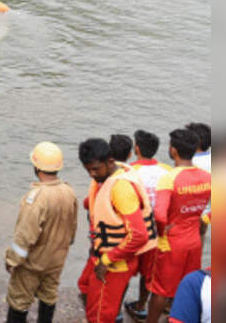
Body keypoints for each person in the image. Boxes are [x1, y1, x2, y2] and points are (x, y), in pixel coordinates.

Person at [77, 138, 157, 323]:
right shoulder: (105, 177)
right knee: (85, 287)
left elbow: (139, 235)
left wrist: (106, 260)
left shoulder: (121, 188)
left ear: (110, 162)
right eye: (87, 169)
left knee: (101, 315)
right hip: (101, 251)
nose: (92, 174)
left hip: (115, 262)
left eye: (95, 169)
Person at [5, 142, 78, 323]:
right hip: (56, 260)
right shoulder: (69, 192)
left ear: (37, 167)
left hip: (33, 264)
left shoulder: (36, 197)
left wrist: (12, 260)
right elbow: (72, 229)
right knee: (48, 297)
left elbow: (25, 236)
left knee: (19, 303)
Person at [145, 129, 211, 323]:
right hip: (194, 242)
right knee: (184, 287)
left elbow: (159, 213)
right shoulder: (207, 177)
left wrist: (160, 231)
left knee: (160, 290)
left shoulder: (169, 178)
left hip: (171, 242)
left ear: (173, 150)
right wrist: (205, 219)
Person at [125, 130, 173, 319]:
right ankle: (140, 305)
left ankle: (117, 311)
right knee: (149, 273)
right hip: (157, 231)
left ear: (136, 148)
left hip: (134, 229)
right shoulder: (167, 171)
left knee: (126, 269)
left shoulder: (128, 171)